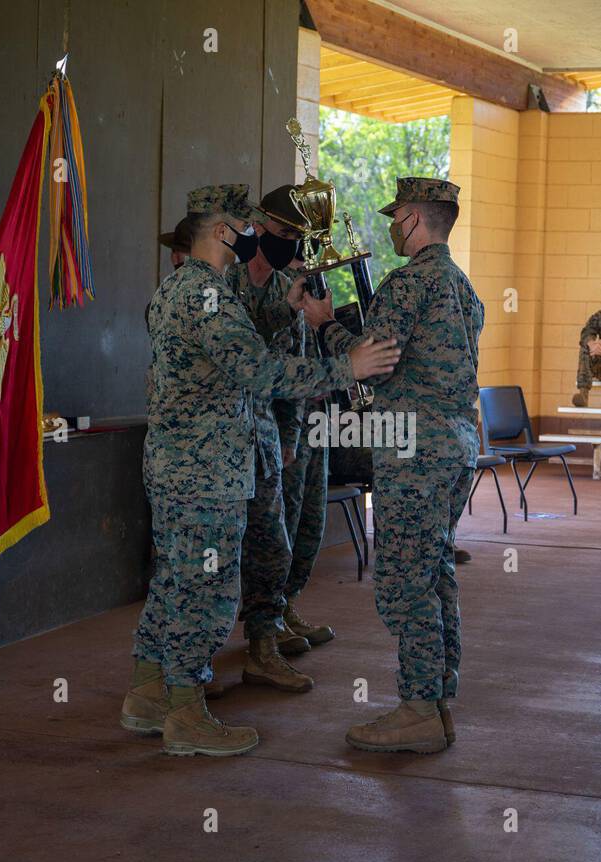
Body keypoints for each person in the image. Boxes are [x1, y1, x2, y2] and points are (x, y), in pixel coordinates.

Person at [123, 183, 399, 757]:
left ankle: (148, 694)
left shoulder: (178, 289)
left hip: (178, 466)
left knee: (174, 581)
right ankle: (185, 714)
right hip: (206, 472)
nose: (252, 236)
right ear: (223, 232)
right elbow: (261, 373)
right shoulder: (209, 298)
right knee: (207, 590)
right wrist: (345, 366)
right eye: (245, 225)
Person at [294, 177, 482, 753]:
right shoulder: (461, 285)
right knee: (434, 571)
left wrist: (324, 323)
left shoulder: (408, 283)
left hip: (412, 451)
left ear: (414, 219)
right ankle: (437, 699)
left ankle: (418, 709)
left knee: (403, 580)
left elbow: (370, 363)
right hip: (455, 445)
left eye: (395, 215)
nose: (390, 226)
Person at [224, 185, 318, 692]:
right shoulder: (225, 280)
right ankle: (186, 666)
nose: (290, 245)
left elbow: (297, 374)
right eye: (283, 233)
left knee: (271, 548)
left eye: (297, 237)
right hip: (215, 439)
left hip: (262, 437)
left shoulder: (290, 286)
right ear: (257, 226)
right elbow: (244, 355)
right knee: (209, 556)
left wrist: (288, 437)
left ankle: (262, 647)